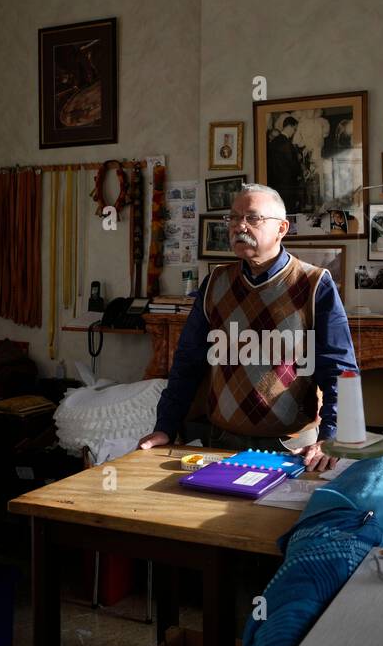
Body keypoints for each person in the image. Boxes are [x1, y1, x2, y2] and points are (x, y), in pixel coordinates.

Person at [138, 184, 358, 471]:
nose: (239, 226)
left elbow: (340, 370)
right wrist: (165, 427)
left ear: (281, 228)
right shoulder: (215, 283)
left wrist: (332, 436)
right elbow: (187, 362)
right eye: (233, 217)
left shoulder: (315, 283)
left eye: (253, 218)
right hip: (220, 442)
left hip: (292, 448)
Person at [265, 117, 303, 213]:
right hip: (287, 185)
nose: (294, 132)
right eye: (294, 129)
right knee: (289, 211)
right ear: (289, 126)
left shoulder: (273, 142)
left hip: (274, 184)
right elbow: (292, 165)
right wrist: (298, 165)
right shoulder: (286, 143)